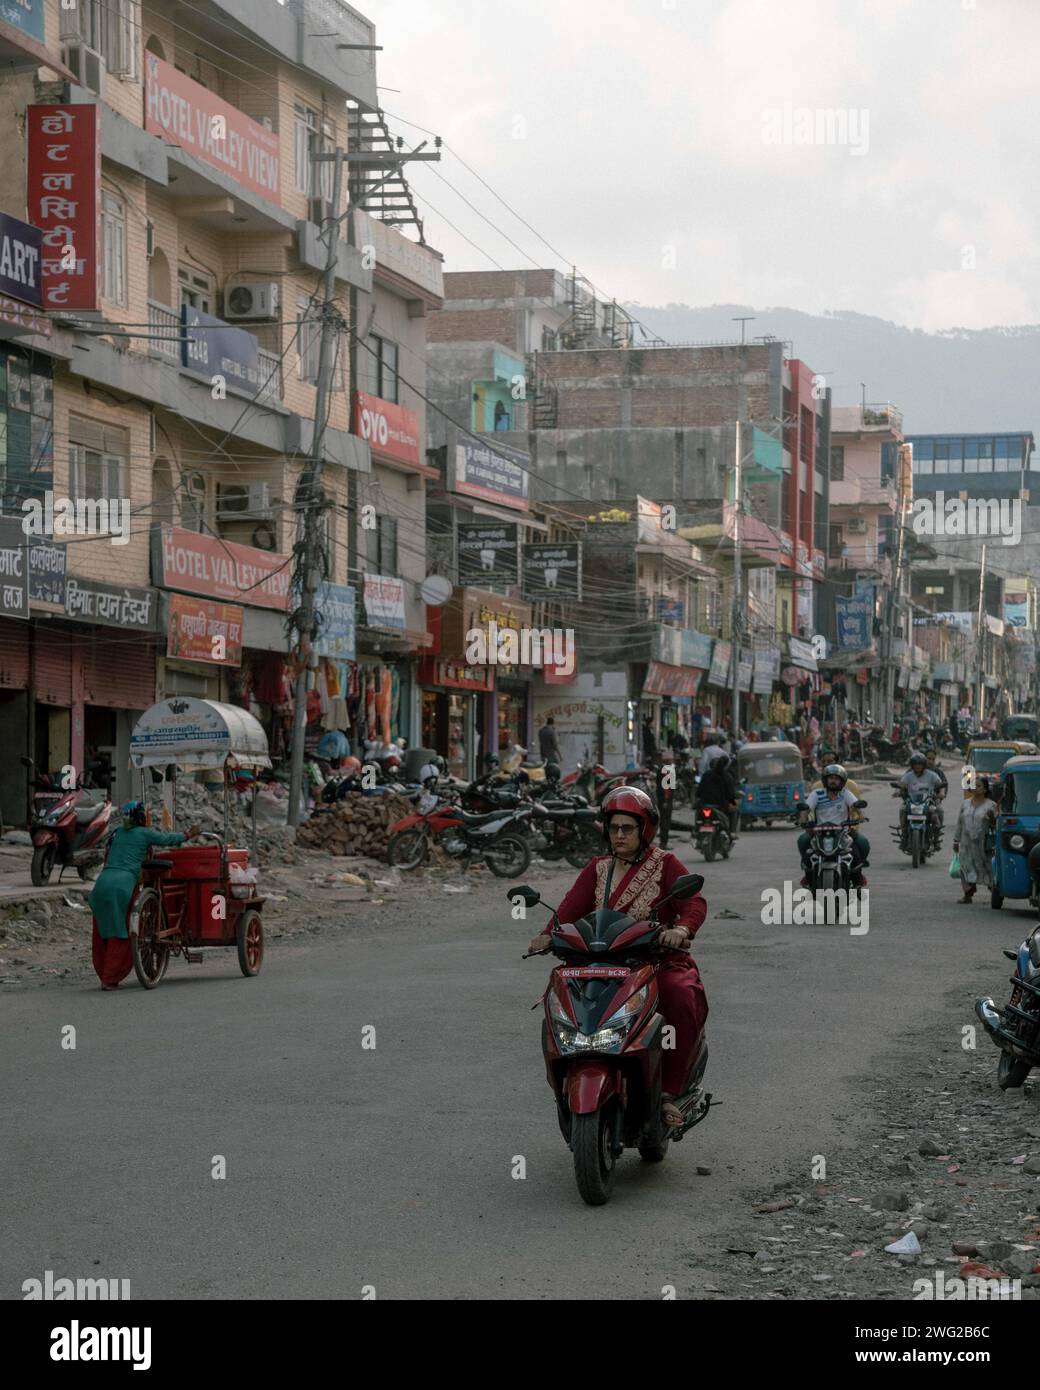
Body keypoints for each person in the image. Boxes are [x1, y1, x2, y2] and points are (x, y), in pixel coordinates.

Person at [527, 787, 708, 1128]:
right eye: (614, 828)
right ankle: (569, 1077)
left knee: (680, 994)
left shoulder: (665, 864)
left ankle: (670, 1091)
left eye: (628, 828)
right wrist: (546, 934)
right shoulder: (598, 868)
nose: (620, 835)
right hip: (601, 963)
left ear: (645, 831)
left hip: (654, 961)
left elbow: (693, 902)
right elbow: (569, 909)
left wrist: (682, 930)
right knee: (562, 997)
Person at [89, 801, 199, 991]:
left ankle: (104, 973)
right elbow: (168, 839)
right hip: (123, 886)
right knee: (122, 932)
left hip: (101, 885)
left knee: (103, 932)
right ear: (141, 818)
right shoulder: (145, 833)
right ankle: (110, 978)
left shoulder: (117, 833)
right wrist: (189, 834)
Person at [797, 764, 870, 884]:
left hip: (843, 832)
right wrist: (803, 821)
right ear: (825, 780)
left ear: (842, 781)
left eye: (836, 779)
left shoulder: (845, 794)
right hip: (819, 832)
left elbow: (856, 805)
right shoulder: (817, 794)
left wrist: (861, 816)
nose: (833, 781)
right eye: (831, 778)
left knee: (862, 844)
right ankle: (808, 877)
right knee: (803, 842)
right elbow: (806, 808)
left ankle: (858, 878)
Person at [953, 776, 997, 904]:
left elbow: (996, 826)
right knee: (966, 866)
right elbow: (960, 823)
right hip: (966, 843)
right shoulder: (965, 803)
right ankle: (968, 894)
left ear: (985, 789)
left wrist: (992, 818)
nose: (975, 788)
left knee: (987, 867)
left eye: (978, 786)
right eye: (973, 785)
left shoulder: (991, 805)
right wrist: (956, 840)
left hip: (982, 844)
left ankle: (994, 892)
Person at [895, 752, 945, 847]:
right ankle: (904, 833)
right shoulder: (908, 775)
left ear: (923, 765)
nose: (917, 766)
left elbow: (940, 784)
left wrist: (941, 793)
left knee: (939, 810)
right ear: (912, 765)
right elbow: (901, 784)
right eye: (915, 764)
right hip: (912, 801)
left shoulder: (932, 775)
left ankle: (936, 836)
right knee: (902, 810)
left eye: (919, 764)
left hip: (928, 800)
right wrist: (897, 791)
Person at [697, 752, 739, 838]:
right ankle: (731, 832)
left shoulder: (706, 775)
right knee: (735, 810)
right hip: (721, 805)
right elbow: (731, 794)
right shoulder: (727, 776)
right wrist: (732, 801)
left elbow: (699, 791)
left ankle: (696, 830)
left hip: (705, 803)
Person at [655, 750, 675, 850]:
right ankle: (664, 842)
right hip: (665, 800)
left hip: (664, 799)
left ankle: (664, 842)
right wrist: (665, 801)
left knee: (664, 821)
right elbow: (666, 788)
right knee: (665, 821)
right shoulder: (667, 771)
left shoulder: (663, 770)